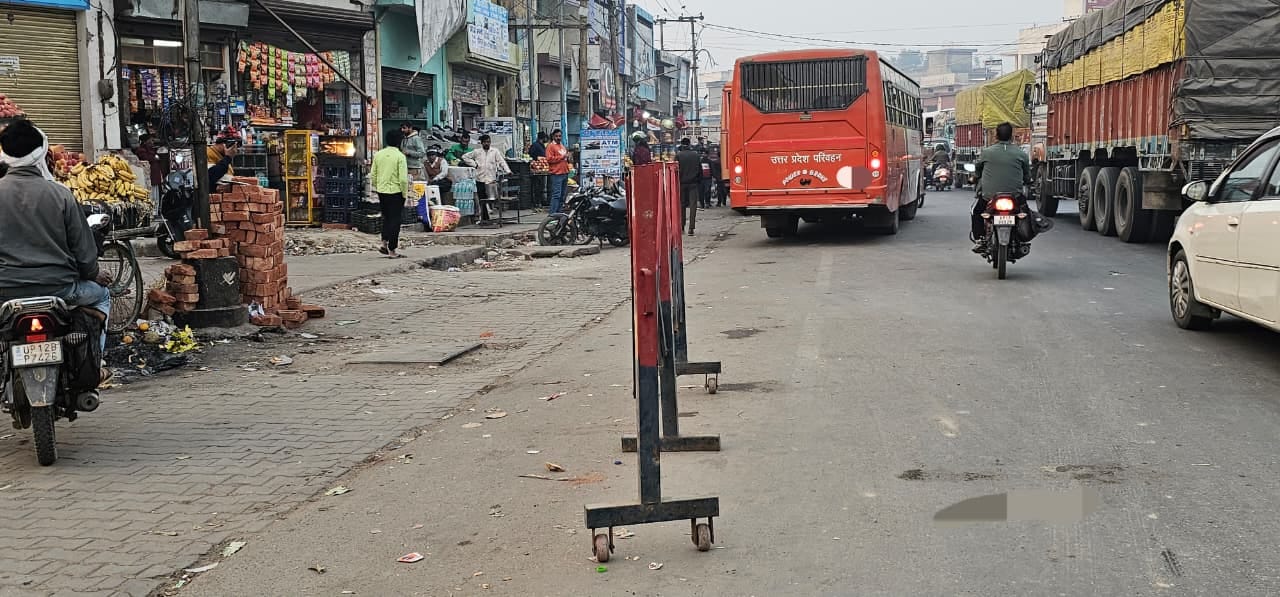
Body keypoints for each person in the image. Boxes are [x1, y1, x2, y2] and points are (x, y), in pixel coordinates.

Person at [0, 119, 113, 371]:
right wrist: (95, 274)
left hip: (5, 291)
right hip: (60, 289)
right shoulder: (61, 194)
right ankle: (94, 366)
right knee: (102, 295)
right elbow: (84, 252)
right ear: (41, 152)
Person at [972, 122, 1032, 253]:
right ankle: (1023, 239)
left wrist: (975, 178)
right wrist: (1028, 181)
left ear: (996, 136)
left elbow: (978, 171)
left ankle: (979, 239)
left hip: (989, 197)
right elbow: (1027, 176)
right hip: (1014, 196)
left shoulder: (986, 153)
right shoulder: (1021, 154)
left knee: (977, 212)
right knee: (1026, 212)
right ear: (1012, 136)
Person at [370, 129, 410, 259]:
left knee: (386, 218)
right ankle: (392, 250)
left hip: (382, 191)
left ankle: (384, 242)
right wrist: (405, 194)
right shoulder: (400, 157)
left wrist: (378, 187)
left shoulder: (379, 155)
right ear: (400, 142)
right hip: (396, 192)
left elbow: (373, 174)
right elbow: (403, 179)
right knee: (395, 220)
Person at [462, 134, 513, 223]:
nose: (487, 144)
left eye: (488, 142)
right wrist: (474, 164)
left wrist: (508, 171)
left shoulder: (495, 151)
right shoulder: (477, 152)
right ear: (482, 143)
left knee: (491, 199)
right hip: (480, 178)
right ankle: (485, 218)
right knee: (482, 199)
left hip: (491, 179)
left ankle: (488, 217)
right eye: (485, 142)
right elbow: (465, 157)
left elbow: (501, 161)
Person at [676, 138, 702, 235]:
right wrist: (699, 181)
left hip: (682, 183)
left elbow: (676, 170)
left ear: (682, 145)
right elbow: (700, 170)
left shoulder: (678, 155)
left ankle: (682, 227)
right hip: (693, 183)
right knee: (693, 205)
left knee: (682, 205)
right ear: (689, 144)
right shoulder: (695, 155)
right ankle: (691, 228)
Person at [546, 129, 571, 214]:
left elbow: (565, 158)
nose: (558, 137)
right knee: (556, 195)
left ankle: (559, 213)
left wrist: (567, 158)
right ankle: (552, 214)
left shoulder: (562, 146)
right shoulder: (550, 146)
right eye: (556, 136)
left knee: (562, 196)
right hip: (556, 174)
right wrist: (561, 157)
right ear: (553, 136)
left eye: (560, 136)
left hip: (564, 173)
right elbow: (549, 159)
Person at [528, 131, 548, 207]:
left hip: (542, 169)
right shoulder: (535, 145)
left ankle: (542, 200)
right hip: (537, 169)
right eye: (545, 138)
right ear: (543, 138)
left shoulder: (542, 145)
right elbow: (531, 155)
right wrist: (537, 159)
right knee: (537, 186)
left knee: (542, 186)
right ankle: (537, 202)